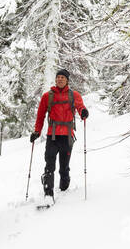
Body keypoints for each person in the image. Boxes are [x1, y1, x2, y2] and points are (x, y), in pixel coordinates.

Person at [30, 69, 89, 204]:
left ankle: (64, 188)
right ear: (56, 80)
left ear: (67, 80)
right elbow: (40, 115)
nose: (60, 79)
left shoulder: (74, 95)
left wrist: (83, 112)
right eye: (58, 77)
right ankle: (48, 194)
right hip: (52, 136)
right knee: (49, 165)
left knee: (64, 168)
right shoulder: (47, 96)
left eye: (62, 77)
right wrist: (37, 132)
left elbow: (80, 106)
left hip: (67, 136)